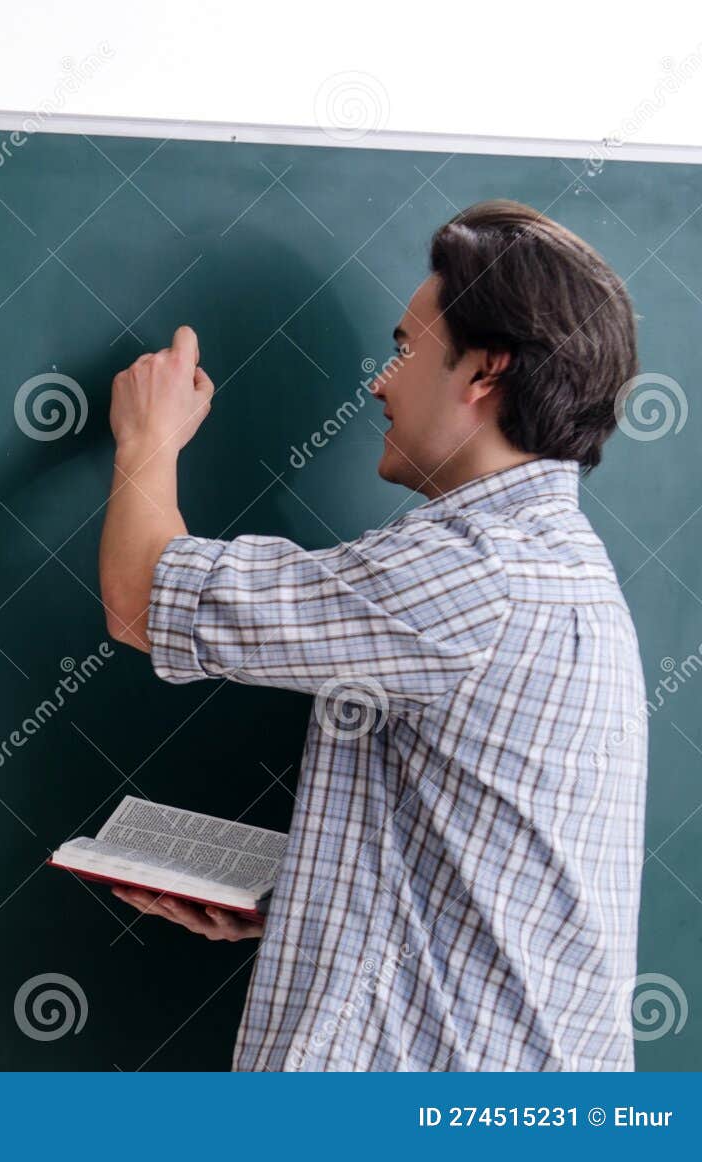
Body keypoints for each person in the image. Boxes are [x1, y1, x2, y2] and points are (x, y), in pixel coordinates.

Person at [97, 200, 647, 1070]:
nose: (379, 384)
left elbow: (142, 600)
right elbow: (488, 859)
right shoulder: (556, 559)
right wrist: (308, 899)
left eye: (405, 350)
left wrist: (147, 440)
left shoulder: (473, 571)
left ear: (485, 371)